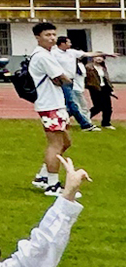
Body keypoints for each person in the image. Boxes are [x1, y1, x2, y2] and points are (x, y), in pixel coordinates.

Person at [26, 22, 82, 193]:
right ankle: (52, 184)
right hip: (50, 104)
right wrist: (68, 79)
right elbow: (62, 77)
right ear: (38, 37)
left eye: (53, 35)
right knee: (55, 144)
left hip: (55, 103)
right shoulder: (43, 56)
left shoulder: (46, 54)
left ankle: (43, 175)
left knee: (65, 142)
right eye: (47, 35)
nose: (51, 38)